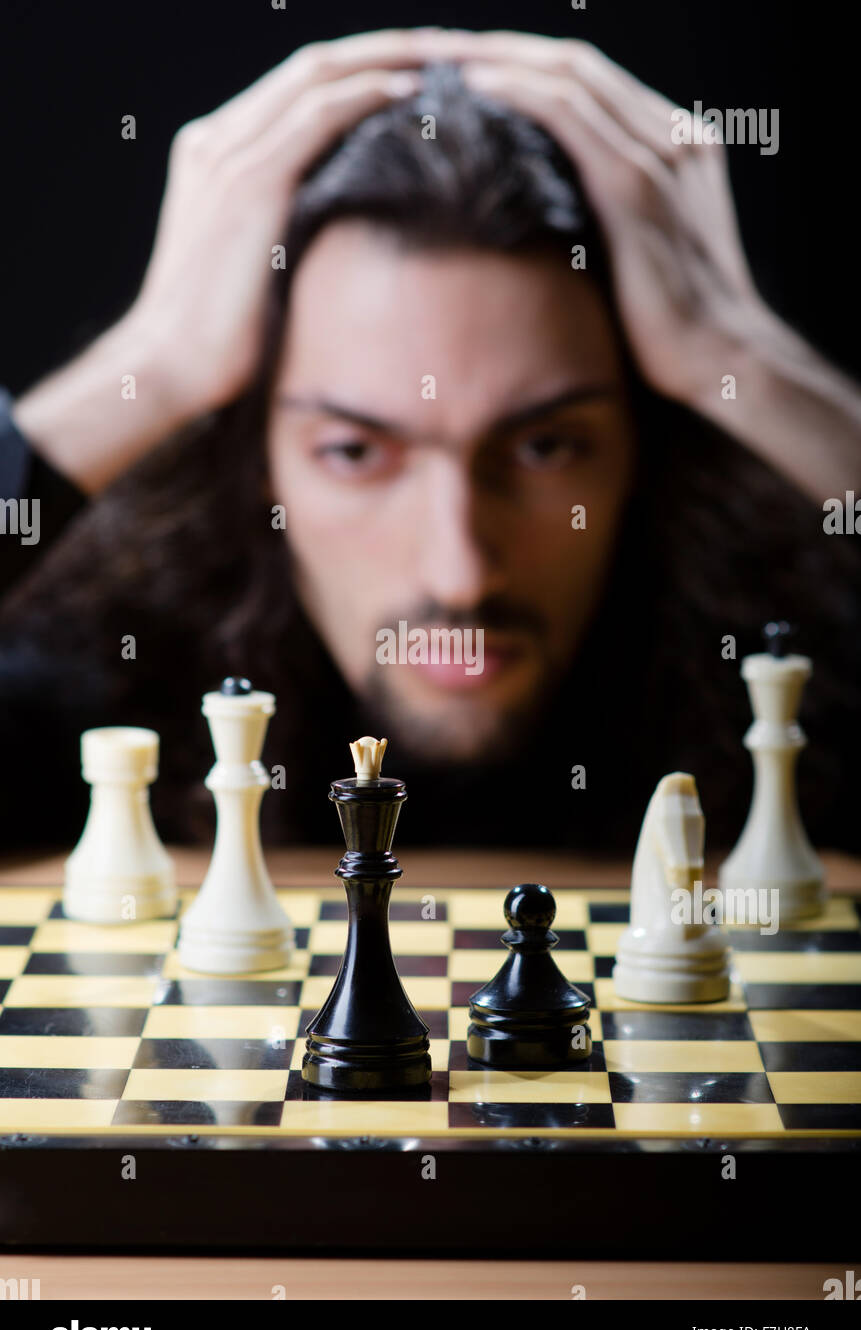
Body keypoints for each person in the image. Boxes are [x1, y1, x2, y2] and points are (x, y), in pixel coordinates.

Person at [1, 28, 859, 851]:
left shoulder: (822, 692)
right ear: (257, 460)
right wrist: (153, 365)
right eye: (355, 451)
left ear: (646, 449)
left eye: (545, 447)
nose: (459, 572)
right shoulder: (83, 702)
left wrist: (741, 357)